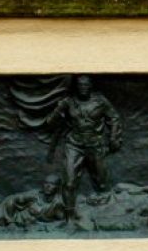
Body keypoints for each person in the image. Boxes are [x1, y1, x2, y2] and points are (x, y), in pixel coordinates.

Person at [45, 75, 122, 220]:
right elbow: (49, 123)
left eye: (86, 85)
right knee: (69, 182)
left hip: (95, 145)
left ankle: (107, 215)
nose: (83, 88)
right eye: (80, 85)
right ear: (76, 87)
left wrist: (113, 137)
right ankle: (69, 218)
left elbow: (114, 118)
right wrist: (59, 109)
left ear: (90, 86)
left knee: (102, 182)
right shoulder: (69, 102)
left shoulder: (100, 101)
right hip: (74, 145)